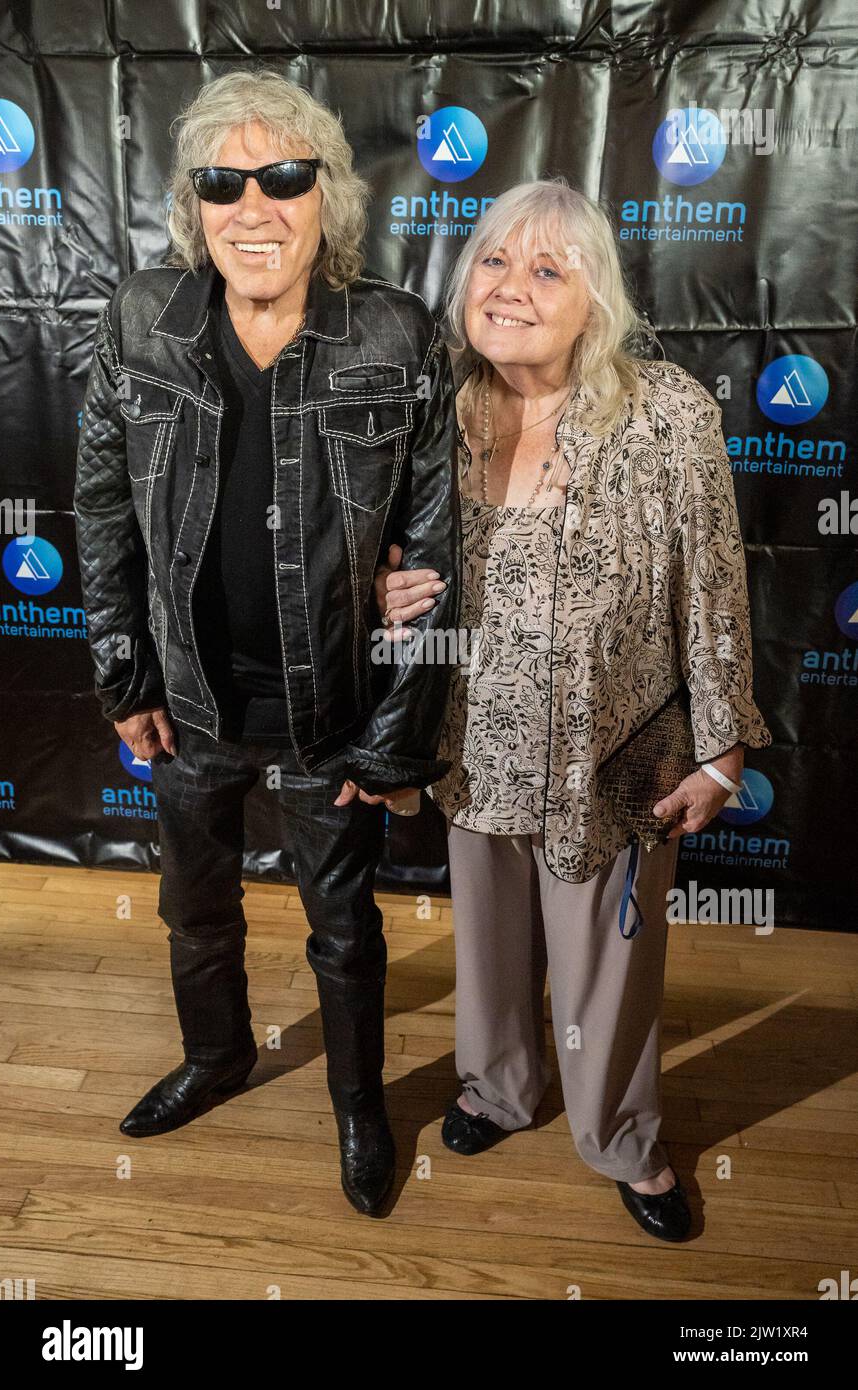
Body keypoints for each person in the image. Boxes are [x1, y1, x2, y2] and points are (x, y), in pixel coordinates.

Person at [73, 68, 460, 1216]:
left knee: (341, 931)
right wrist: (121, 674)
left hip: (326, 712)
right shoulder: (143, 319)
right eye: (223, 181)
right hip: (187, 703)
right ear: (193, 204)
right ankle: (217, 1055)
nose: (254, 206)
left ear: (325, 196)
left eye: (283, 176)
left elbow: (435, 559)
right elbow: (99, 506)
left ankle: (355, 1103)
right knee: (194, 909)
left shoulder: (392, 331)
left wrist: (390, 749)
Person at [375, 178, 771, 1241]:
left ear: (594, 300)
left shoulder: (666, 411)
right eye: (493, 263)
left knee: (607, 968)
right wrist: (376, 593)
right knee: (489, 951)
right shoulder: (430, 414)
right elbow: (362, 560)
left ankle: (620, 1140)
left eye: (546, 268)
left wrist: (721, 750)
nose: (510, 287)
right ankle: (497, 1089)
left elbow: (714, 587)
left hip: (617, 753)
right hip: (468, 749)